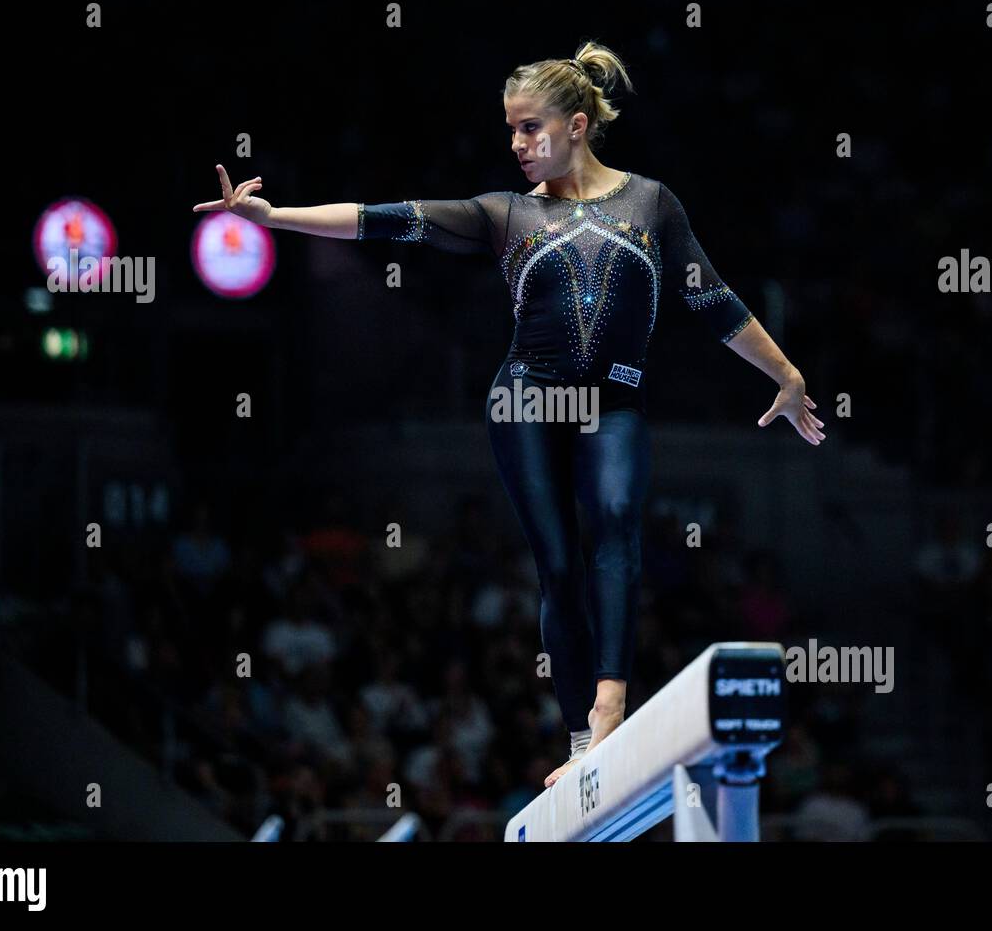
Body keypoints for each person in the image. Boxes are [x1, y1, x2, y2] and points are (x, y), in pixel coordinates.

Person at [193, 41, 823, 788]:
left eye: (530, 128)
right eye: (511, 130)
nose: (516, 144)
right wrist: (273, 217)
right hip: (525, 400)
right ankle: (579, 737)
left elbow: (710, 298)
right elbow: (386, 220)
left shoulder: (652, 204)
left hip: (613, 400)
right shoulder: (504, 214)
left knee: (617, 520)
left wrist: (785, 373)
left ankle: (610, 700)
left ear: (578, 125)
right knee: (557, 564)